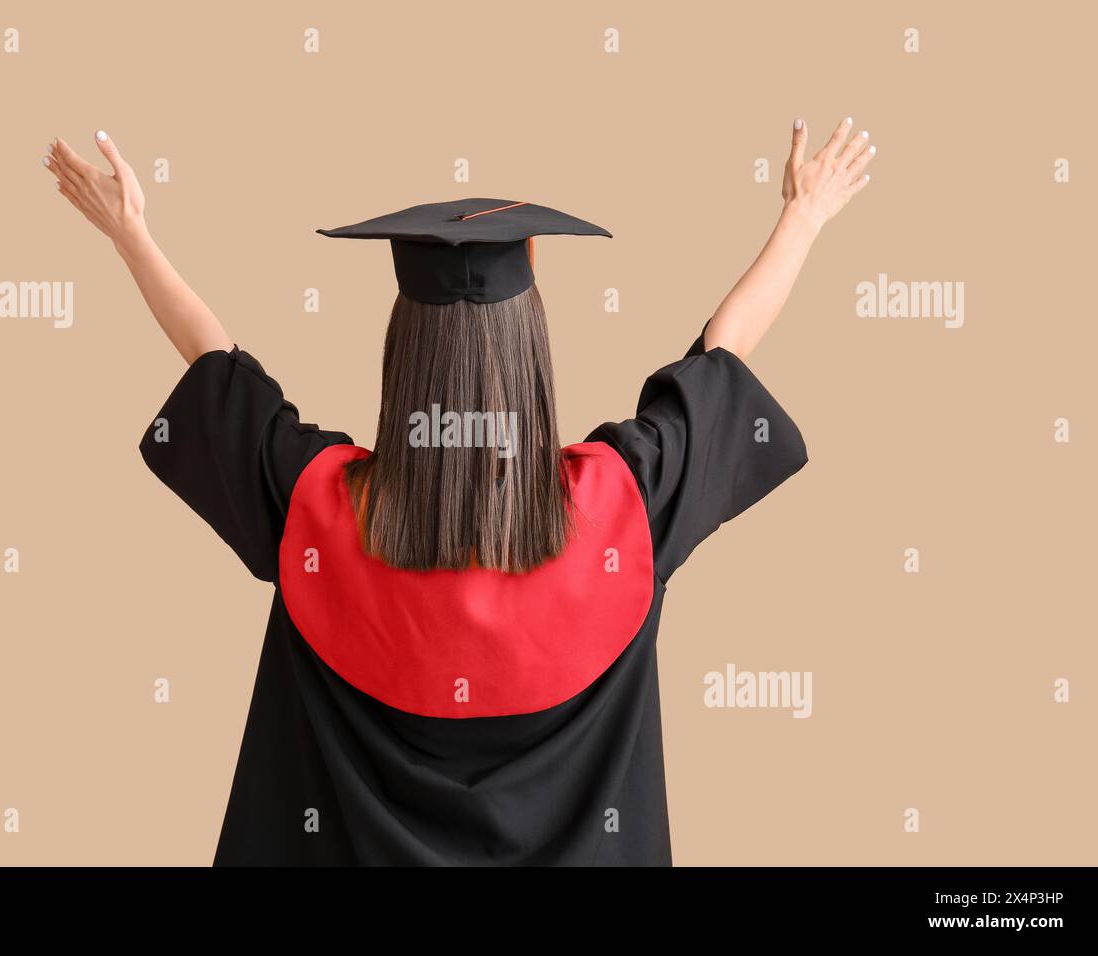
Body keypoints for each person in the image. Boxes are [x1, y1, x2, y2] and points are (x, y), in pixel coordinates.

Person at [42, 116, 873, 865]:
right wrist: (802, 216)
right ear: (532, 348)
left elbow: (216, 368)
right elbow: (719, 366)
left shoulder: (318, 513)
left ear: (403, 355)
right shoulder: (624, 511)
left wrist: (132, 237)